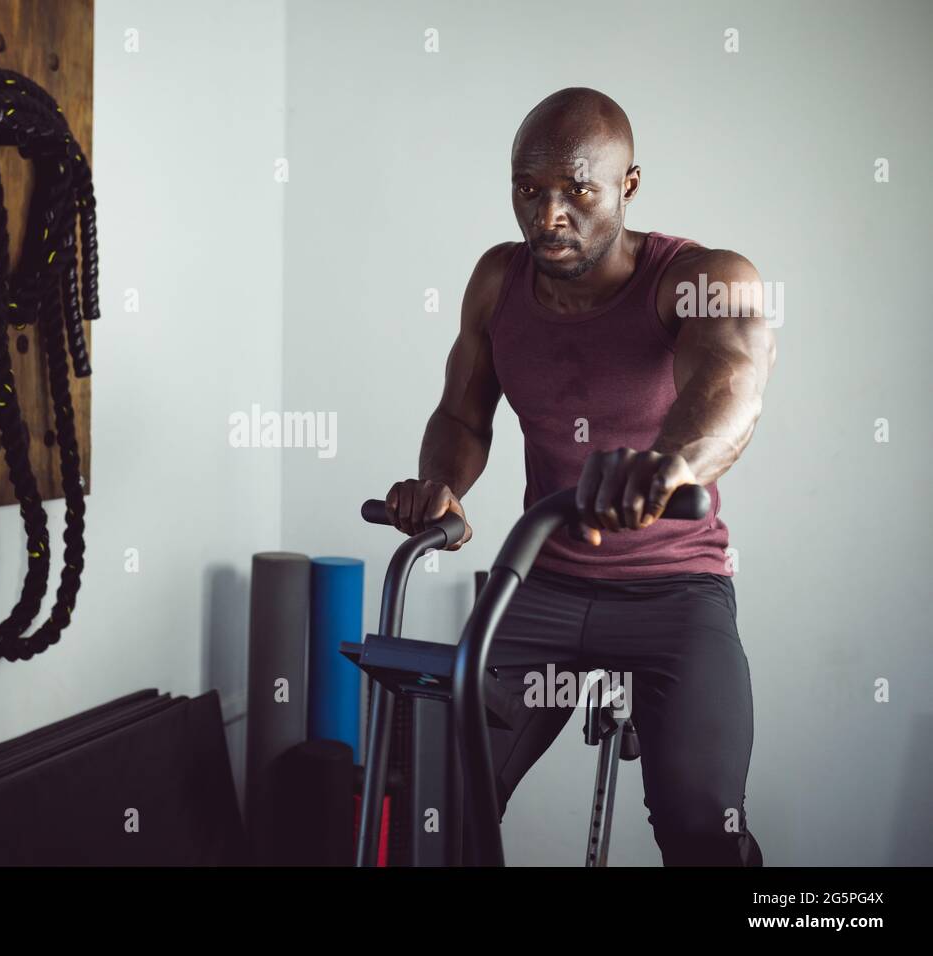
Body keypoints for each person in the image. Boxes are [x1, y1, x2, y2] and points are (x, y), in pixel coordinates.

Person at [382, 87, 776, 866]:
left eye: (577, 190)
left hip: (676, 591)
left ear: (628, 187)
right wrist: (439, 487)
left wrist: (667, 468)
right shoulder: (499, 282)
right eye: (529, 190)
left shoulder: (698, 278)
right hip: (544, 585)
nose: (548, 215)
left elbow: (731, 391)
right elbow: (463, 417)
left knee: (704, 827)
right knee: (437, 792)